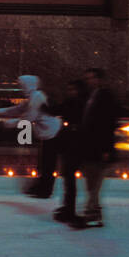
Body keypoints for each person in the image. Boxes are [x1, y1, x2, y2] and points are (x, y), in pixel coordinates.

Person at [0, 75, 61, 198]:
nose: (21, 88)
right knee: (44, 163)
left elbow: (30, 117)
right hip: (47, 133)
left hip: (51, 133)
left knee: (48, 164)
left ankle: (45, 190)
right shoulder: (34, 97)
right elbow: (19, 108)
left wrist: (11, 123)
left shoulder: (36, 97)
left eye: (22, 85)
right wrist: (1, 111)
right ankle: (41, 187)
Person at [75, 67, 118, 226]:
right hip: (90, 147)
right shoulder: (89, 96)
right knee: (92, 184)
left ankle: (90, 213)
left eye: (91, 78)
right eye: (87, 78)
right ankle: (95, 214)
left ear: (99, 79)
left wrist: (106, 149)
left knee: (95, 185)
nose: (88, 81)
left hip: (99, 148)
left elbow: (108, 124)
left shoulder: (106, 96)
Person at [51, 80, 89, 224]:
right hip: (71, 145)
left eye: (73, 89)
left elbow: (57, 110)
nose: (71, 92)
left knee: (69, 179)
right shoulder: (79, 104)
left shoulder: (76, 104)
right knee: (68, 179)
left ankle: (69, 210)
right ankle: (68, 208)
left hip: (73, 145)